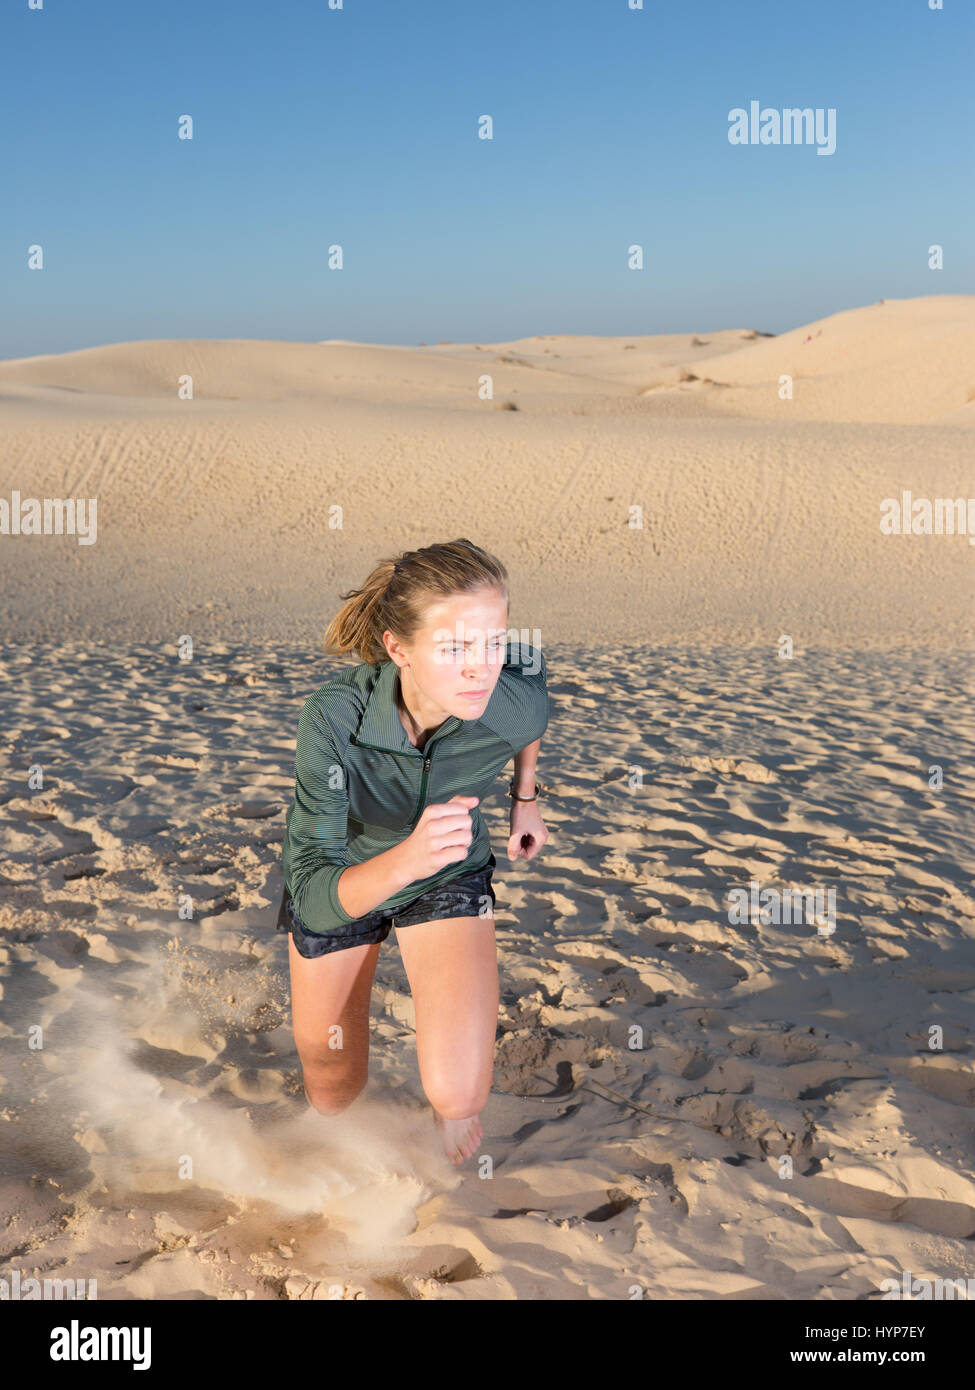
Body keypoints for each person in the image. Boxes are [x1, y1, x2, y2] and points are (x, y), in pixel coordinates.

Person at [277, 538, 550, 1164]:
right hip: (342, 873)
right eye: (455, 648)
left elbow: (535, 695)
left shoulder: (511, 696)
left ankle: (447, 1110)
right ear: (399, 649)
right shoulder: (333, 719)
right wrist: (408, 857)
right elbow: (316, 903)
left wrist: (526, 796)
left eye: (492, 642)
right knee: (332, 1088)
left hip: (449, 868)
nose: (482, 667)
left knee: (458, 1095)